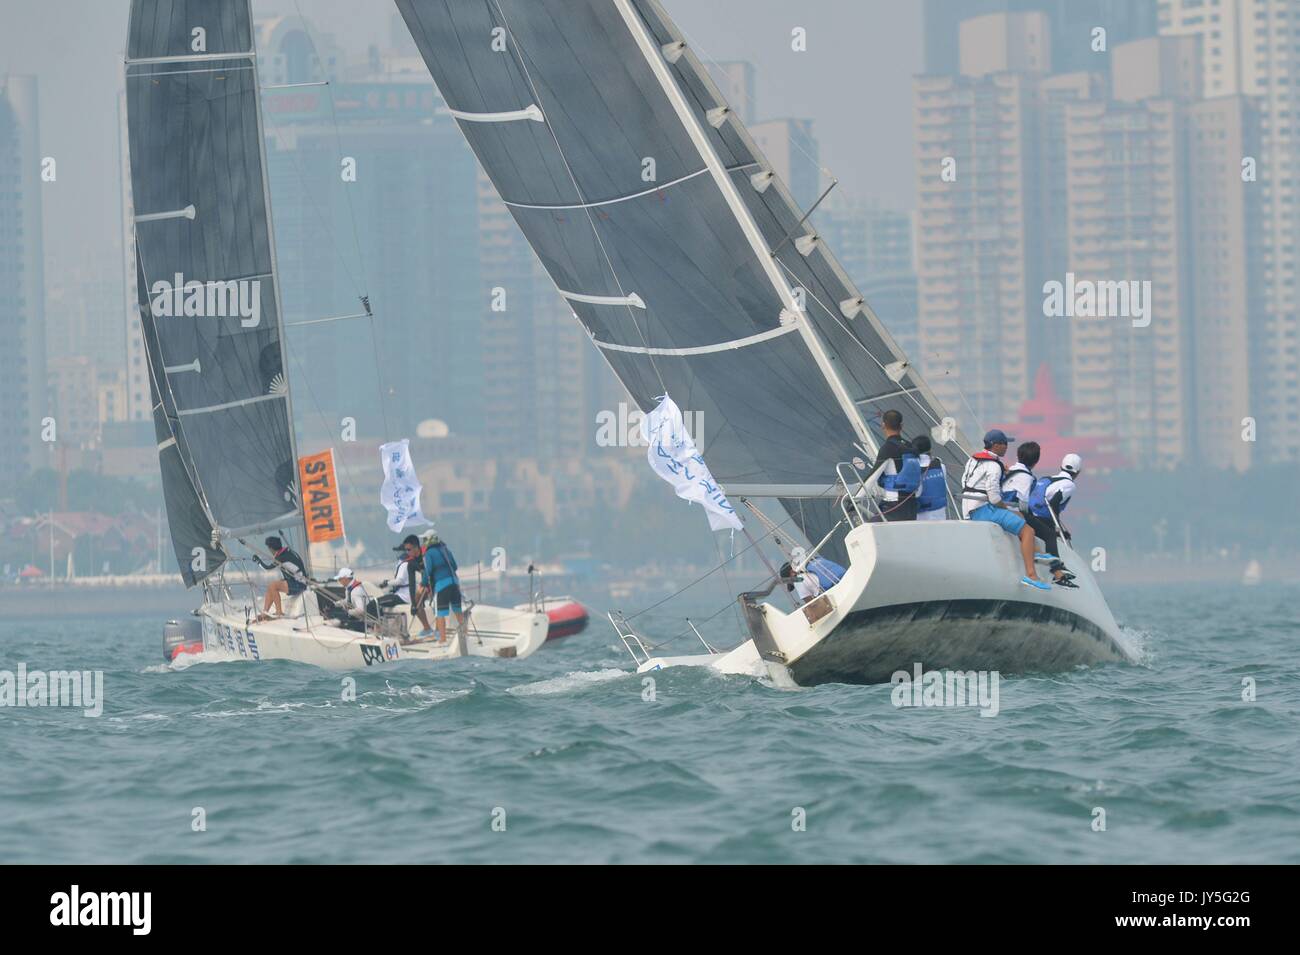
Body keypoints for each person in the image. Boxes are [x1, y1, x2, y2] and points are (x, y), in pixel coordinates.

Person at [959, 429, 1050, 590]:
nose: (1007, 447)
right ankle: (1031, 576)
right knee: (1028, 531)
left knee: (1020, 515)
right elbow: (994, 498)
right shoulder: (994, 466)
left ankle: (1036, 552)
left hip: (969, 506)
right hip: (982, 510)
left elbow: (964, 480)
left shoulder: (973, 459)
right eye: (1004, 444)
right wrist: (1004, 508)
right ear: (995, 445)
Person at [1003, 442, 1075, 587]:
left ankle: (1057, 570)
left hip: (1001, 509)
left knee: (1041, 528)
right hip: (1014, 513)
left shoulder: (1010, 471)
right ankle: (1057, 573)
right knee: (1049, 534)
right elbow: (1023, 505)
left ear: (1018, 455)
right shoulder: (1027, 478)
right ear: (1036, 461)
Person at [1028, 453, 1082, 570]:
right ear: (1078, 472)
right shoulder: (1070, 485)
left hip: (1029, 515)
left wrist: (1060, 529)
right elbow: (1054, 503)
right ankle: (1056, 570)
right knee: (1051, 535)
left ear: (1061, 467)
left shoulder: (1046, 479)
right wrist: (1057, 527)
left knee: (1056, 532)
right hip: (1042, 518)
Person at [419, 529, 466, 645]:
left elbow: (428, 571)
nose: (423, 542)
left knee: (440, 614)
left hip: (442, 586)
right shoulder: (446, 550)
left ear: (430, 540)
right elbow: (455, 566)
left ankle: (442, 640)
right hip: (455, 584)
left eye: (425, 540)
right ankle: (465, 636)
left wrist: (423, 584)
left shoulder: (429, 553)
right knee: (458, 612)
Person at [872, 409, 918, 521]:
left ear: (883, 425)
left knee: (870, 526)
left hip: (894, 505)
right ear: (902, 425)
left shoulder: (887, 448)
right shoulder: (911, 447)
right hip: (912, 504)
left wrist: (856, 498)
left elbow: (873, 475)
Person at [385, 533, 433, 637]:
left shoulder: (426, 554)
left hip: (435, 579)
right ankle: (427, 629)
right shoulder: (410, 562)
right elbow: (412, 584)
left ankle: (438, 631)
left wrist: (427, 585)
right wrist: (413, 604)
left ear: (416, 547)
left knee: (428, 595)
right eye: (405, 550)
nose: (407, 552)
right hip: (425, 581)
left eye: (409, 550)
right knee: (416, 601)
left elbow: (430, 572)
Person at [250, 535, 308, 621]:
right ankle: (265, 613)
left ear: (271, 548)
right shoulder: (287, 552)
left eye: (269, 549)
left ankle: (279, 612)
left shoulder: (281, 557)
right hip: (296, 581)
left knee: (273, 586)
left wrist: (258, 561)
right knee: (271, 587)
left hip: (299, 585)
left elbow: (267, 569)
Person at [910, 434, 948, 521]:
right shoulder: (941, 466)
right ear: (930, 449)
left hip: (922, 517)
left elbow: (917, 493)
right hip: (941, 515)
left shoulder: (914, 470)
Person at [331, 567, 371, 631]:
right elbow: (347, 601)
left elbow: (360, 610)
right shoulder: (349, 588)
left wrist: (348, 613)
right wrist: (335, 604)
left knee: (338, 621)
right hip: (357, 617)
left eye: (340, 579)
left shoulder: (356, 590)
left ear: (345, 579)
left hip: (363, 621)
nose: (339, 581)